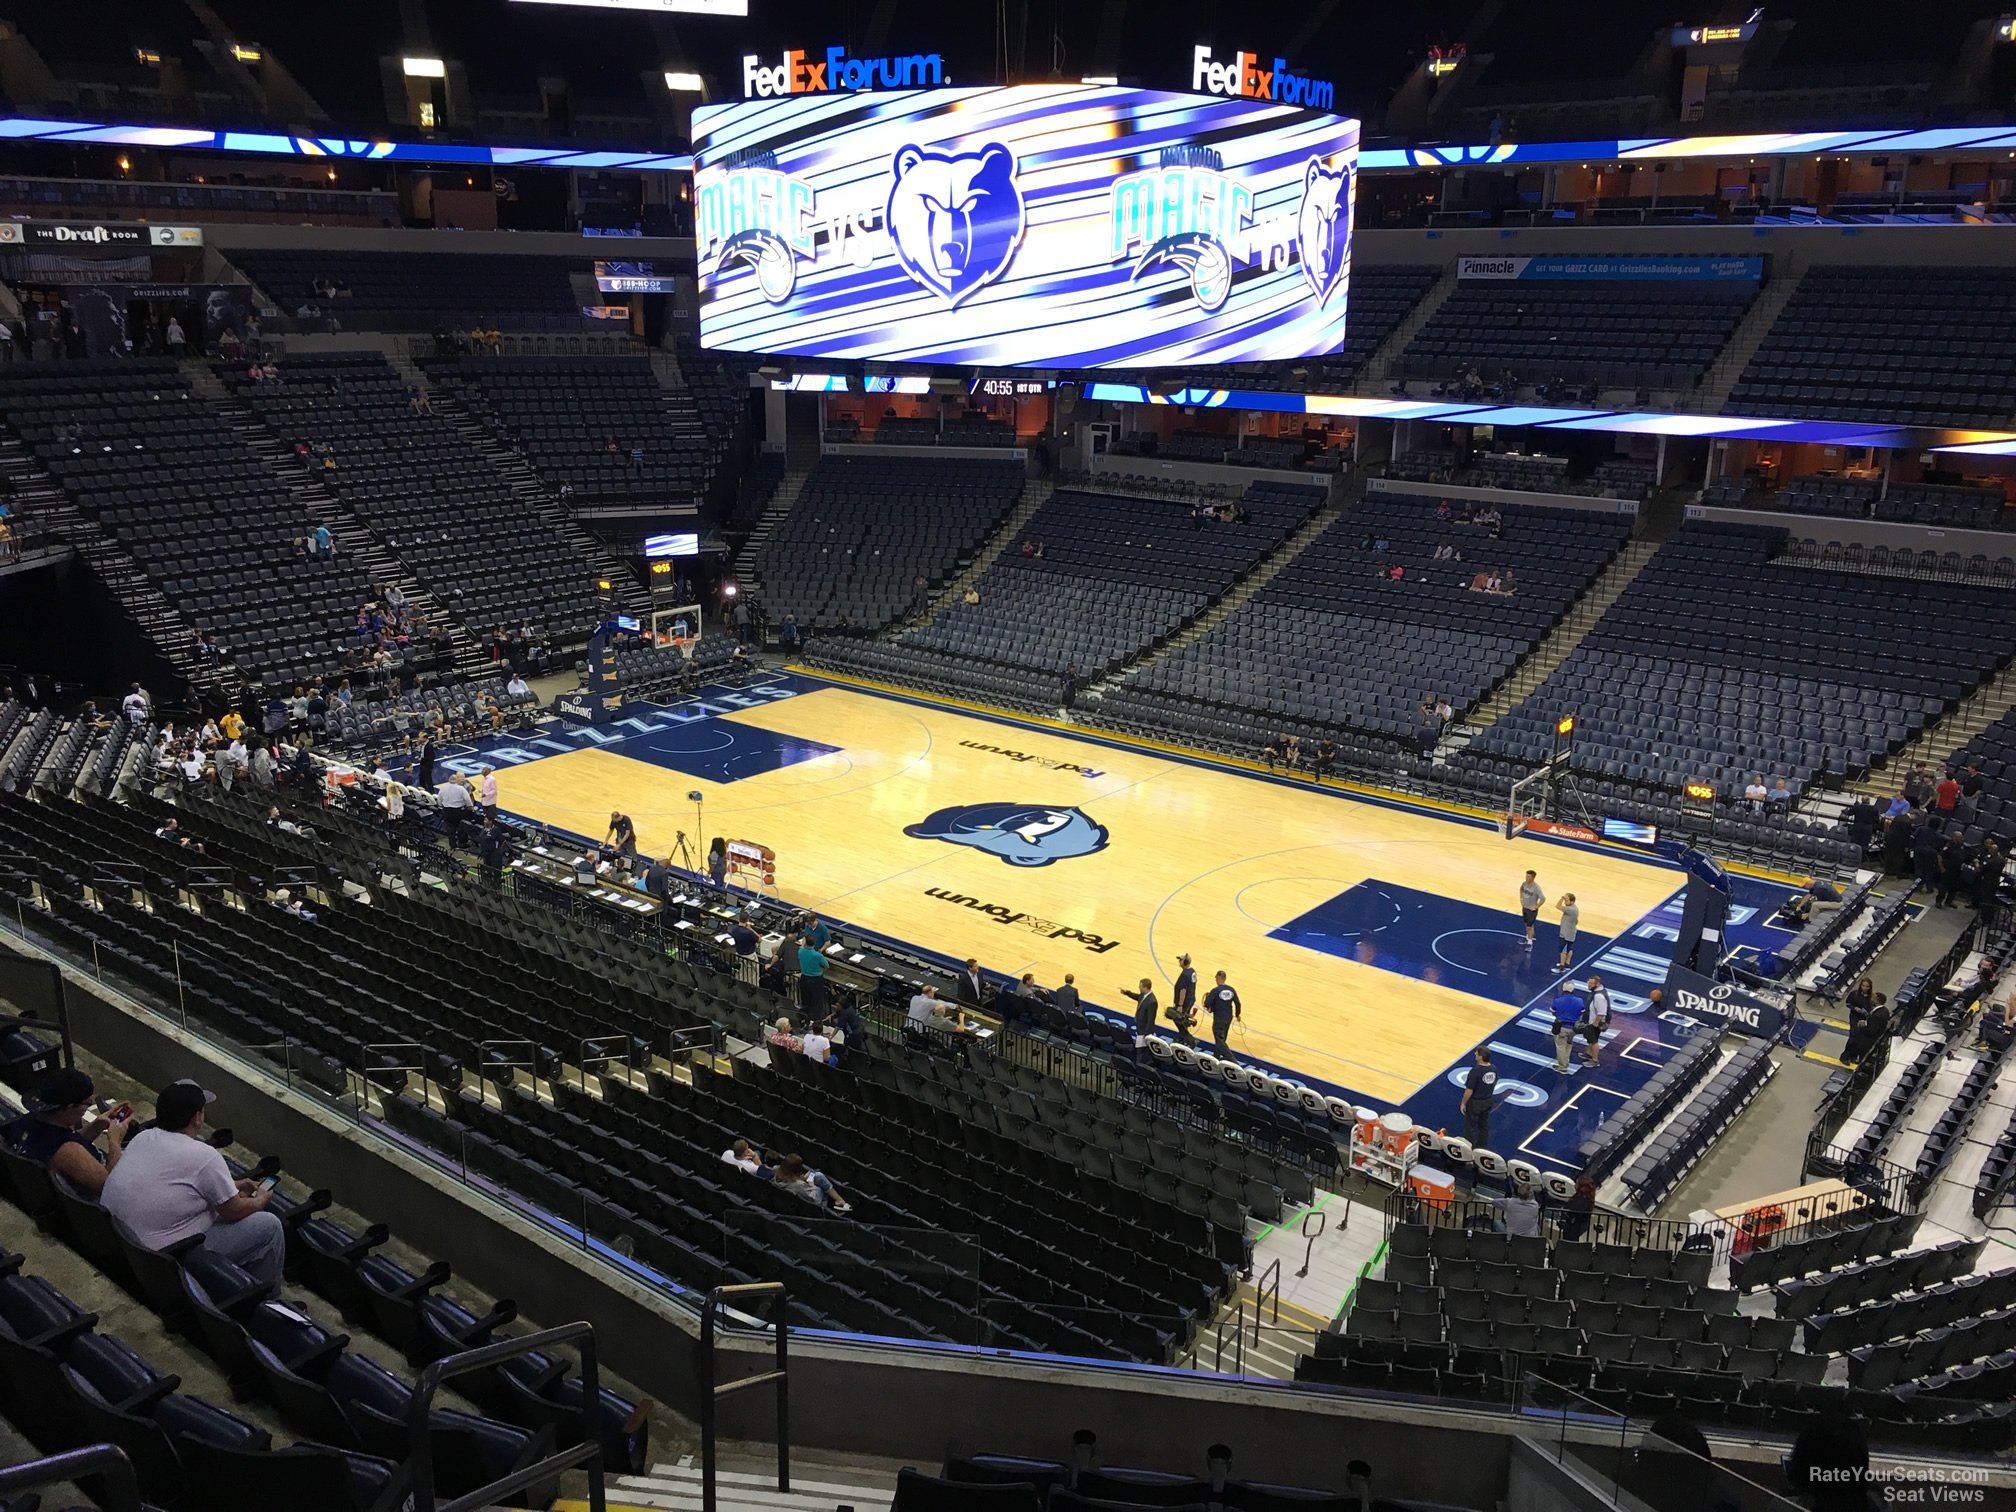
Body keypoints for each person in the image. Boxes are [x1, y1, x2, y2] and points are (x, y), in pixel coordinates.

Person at [100, 1080, 283, 1287]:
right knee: (270, 1226)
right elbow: (235, 1211)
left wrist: (233, 1185)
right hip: (162, 1257)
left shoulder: (143, 1137)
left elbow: (171, 1182)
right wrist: (261, 1200)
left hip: (120, 1244)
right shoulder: (205, 1156)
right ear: (197, 1117)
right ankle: (266, 1301)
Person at [3, 1067, 126, 1196]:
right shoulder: (67, 1151)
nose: (88, 1106)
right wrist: (115, 1142)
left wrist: (96, 1126)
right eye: (87, 1103)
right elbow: (109, 1189)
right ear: (69, 1107)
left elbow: (71, 1143)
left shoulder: (27, 1122)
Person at [772, 1154, 850, 1213]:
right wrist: (812, 1185)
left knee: (814, 1174)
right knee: (818, 1176)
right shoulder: (798, 1185)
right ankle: (839, 1200)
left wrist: (803, 1179)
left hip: (796, 1191)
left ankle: (839, 1200)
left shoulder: (775, 1170)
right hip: (814, 1206)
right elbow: (814, 1200)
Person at [1459, 1046, 1497, 1150]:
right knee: (1483, 1125)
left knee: (1470, 1126)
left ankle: (1469, 1149)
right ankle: (1482, 1147)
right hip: (1488, 1100)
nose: (1475, 1054)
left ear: (1481, 1057)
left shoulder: (1475, 1071)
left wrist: (1463, 1103)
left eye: (1477, 1053)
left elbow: (1469, 1090)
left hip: (1476, 1103)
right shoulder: (1493, 1068)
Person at [1205, 971, 1242, 1054]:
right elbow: (1238, 1003)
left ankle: (1229, 1057)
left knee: (1219, 1040)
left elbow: (1207, 1003)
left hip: (1219, 1019)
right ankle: (1217, 1055)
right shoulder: (1231, 989)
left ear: (1218, 978)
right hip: (1228, 1018)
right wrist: (1237, 1014)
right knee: (1223, 1038)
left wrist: (1210, 1008)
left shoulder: (1215, 990)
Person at [1550, 986, 1585, 1072]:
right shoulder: (1580, 1000)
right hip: (1573, 1028)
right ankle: (1566, 1062)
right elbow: (1582, 1012)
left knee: (1560, 1046)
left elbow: (1553, 1012)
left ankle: (1562, 1067)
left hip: (1561, 1027)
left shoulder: (1557, 1000)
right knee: (1569, 1045)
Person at [1580, 975, 1612, 1066]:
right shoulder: (1596, 992)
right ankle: (1589, 1054)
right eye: (1588, 983)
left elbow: (1602, 1012)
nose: (1589, 985)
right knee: (1590, 1039)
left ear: (1597, 984)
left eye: (1591, 983)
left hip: (1595, 1022)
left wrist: (1595, 1023)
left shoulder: (1599, 996)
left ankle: (1595, 1060)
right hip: (1592, 1020)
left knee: (1594, 1041)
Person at [435, 775, 474, 847]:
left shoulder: (443, 788)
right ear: (456, 781)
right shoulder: (461, 789)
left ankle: (452, 844)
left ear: (448, 780)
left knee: (450, 828)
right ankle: (462, 843)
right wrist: (470, 808)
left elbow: (439, 801)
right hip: (458, 811)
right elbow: (468, 800)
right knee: (461, 826)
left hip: (447, 811)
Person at [796, 932, 829, 1018]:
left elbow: (802, 947)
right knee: (817, 1002)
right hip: (816, 980)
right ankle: (816, 1020)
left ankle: (805, 1018)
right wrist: (821, 972)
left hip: (804, 979)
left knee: (805, 1001)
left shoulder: (800, 952)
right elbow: (826, 966)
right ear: (815, 943)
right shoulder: (818, 955)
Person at [1169, 954, 1198, 1044]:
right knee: (1183, 1019)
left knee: (1178, 1019)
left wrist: (1180, 1005)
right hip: (1191, 999)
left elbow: (1183, 991)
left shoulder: (1184, 975)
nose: (1179, 962)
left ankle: (1189, 1038)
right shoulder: (1192, 971)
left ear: (1184, 962)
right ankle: (1182, 1037)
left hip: (1184, 1002)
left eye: (1180, 960)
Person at [1124, 977, 1159, 1043]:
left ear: (1145, 988)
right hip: (1140, 1027)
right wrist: (1127, 993)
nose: (1139, 988)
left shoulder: (1152, 1002)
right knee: (1139, 1048)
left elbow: (1150, 1020)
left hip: (1144, 1031)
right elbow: (1137, 997)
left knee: (1141, 1049)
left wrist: (1146, 1035)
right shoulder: (1144, 995)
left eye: (1140, 986)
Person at [1554, 892, 1580, 969]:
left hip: (1566, 934)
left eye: (1567, 900)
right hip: (1571, 933)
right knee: (1569, 949)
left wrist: (1562, 898)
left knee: (1563, 950)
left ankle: (1562, 966)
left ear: (1572, 901)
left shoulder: (1570, 909)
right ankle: (1567, 963)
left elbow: (1557, 906)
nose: (1565, 902)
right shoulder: (1575, 908)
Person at [1519, 870, 1543, 947]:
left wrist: (1536, 906)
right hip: (1525, 907)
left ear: (1533, 877)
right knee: (1526, 924)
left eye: (1528, 876)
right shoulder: (1524, 884)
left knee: (1530, 926)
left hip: (1531, 910)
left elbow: (1543, 898)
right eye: (1526, 876)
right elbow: (1521, 889)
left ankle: (1530, 942)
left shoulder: (1536, 888)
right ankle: (1527, 937)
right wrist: (1521, 898)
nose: (1526, 877)